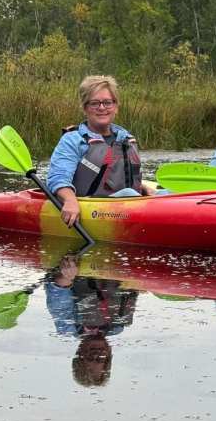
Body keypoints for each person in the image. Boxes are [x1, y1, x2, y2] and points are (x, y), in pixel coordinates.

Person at [47, 75, 155, 227]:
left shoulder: (126, 138)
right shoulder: (73, 140)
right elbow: (58, 179)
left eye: (107, 102)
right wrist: (70, 201)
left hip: (130, 203)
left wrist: (143, 188)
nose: (102, 108)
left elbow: (119, 176)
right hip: (94, 207)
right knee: (129, 194)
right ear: (85, 108)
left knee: (165, 193)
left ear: (116, 106)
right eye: (94, 103)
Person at [45, 255, 140, 386]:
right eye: (101, 359)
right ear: (109, 355)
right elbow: (134, 288)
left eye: (90, 358)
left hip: (83, 260)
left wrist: (66, 275)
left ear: (79, 353)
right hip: (122, 260)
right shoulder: (118, 326)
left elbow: (58, 292)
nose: (97, 354)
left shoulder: (67, 327)